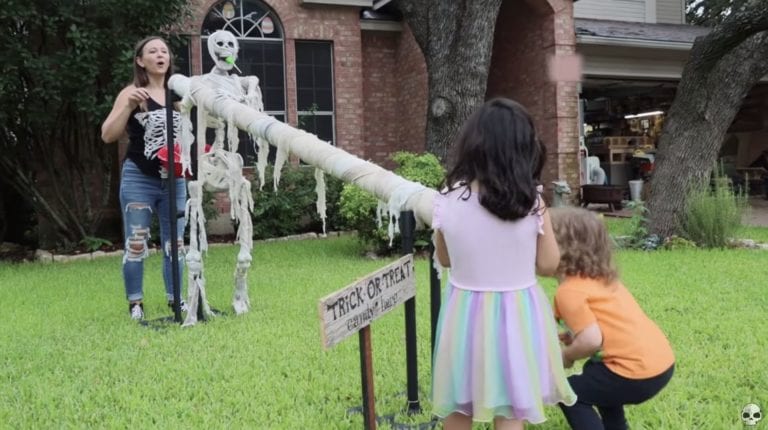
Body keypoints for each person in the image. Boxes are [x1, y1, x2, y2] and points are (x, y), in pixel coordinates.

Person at [431, 98, 577, 430]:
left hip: (464, 316)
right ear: (523, 148)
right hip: (517, 318)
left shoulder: (447, 198)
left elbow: (444, 258)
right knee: (511, 408)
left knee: (458, 405)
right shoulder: (530, 202)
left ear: (473, 145)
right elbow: (549, 264)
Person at [549, 207, 674, 430]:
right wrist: (575, 334)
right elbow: (607, 325)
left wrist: (567, 355)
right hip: (660, 363)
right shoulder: (600, 278)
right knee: (597, 378)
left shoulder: (569, 291)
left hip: (634, 371)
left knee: (568, 393)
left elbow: (591, 340)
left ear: (562, 250)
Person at [101, 36, 187, 320]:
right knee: (136, 242)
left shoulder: (180, 93)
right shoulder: (131, 93)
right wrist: (127, 107)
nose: (160, 55)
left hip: (174, 179)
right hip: (140, 177)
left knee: (175, 244)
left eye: (164, 51)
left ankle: (177, 300)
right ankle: (135, 303)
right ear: (141, 61)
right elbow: (108, 135)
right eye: (153, 51)